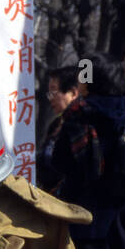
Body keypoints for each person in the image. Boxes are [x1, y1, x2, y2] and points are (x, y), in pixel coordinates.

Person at [48, 54, 125, 249]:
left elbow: (60, 161)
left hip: (84, 215)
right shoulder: (124, 108)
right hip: (122, 213)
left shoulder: (79, 113)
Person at [37, 65, 80, 194]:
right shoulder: (56, 124)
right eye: (49, 93)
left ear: (73, 93)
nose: (50, 98)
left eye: (54, 92)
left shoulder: (80, 125)